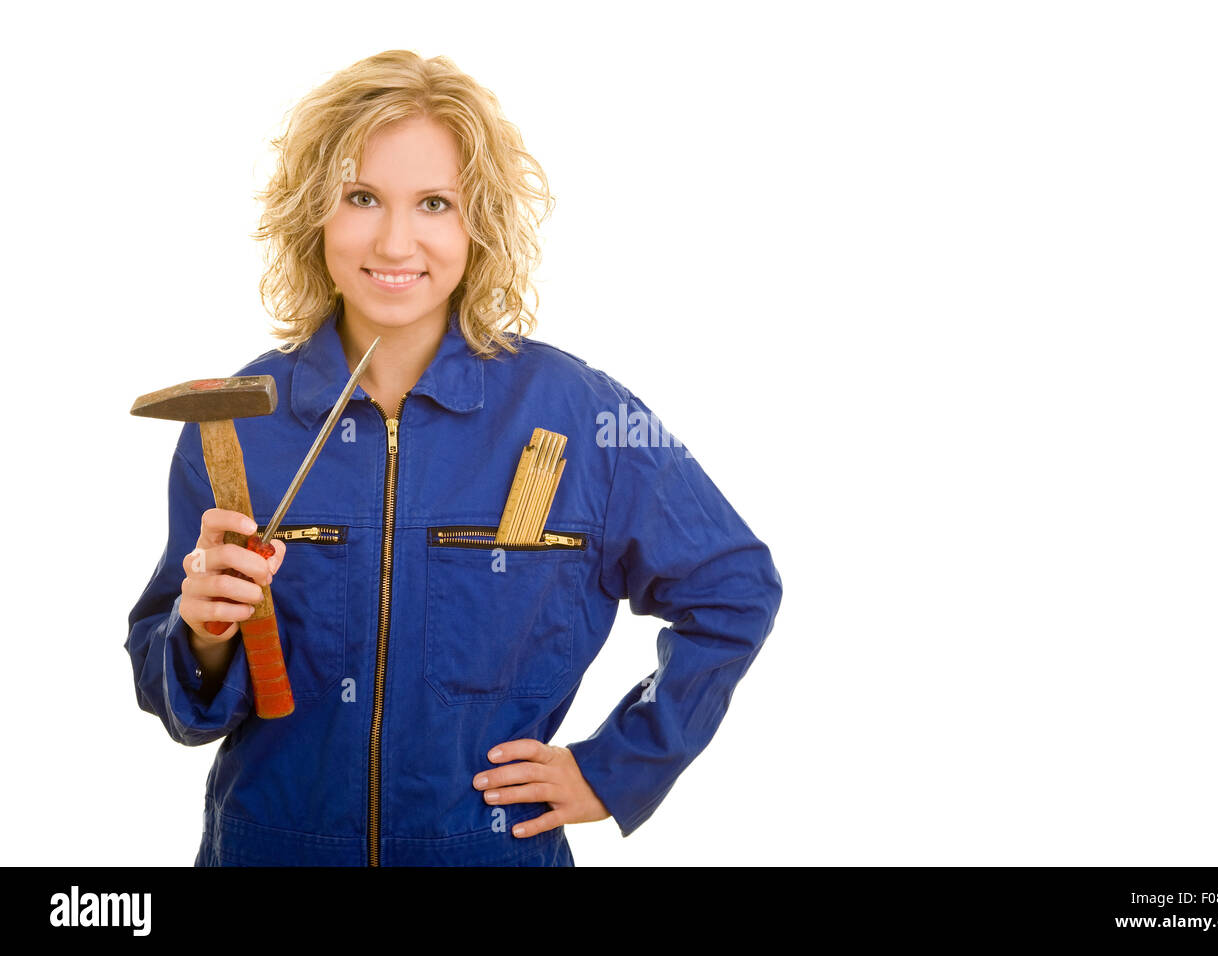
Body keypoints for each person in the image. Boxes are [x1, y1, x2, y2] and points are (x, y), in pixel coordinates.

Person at [124, 49, 782, 866]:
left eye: (434, 203)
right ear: (311, 215)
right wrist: (206, 633)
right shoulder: (237, 422)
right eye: (360, 197)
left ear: (480, 224)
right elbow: (178, 704)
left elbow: (734, 588)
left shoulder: (585, 415)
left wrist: (615, 769)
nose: (396, 239)